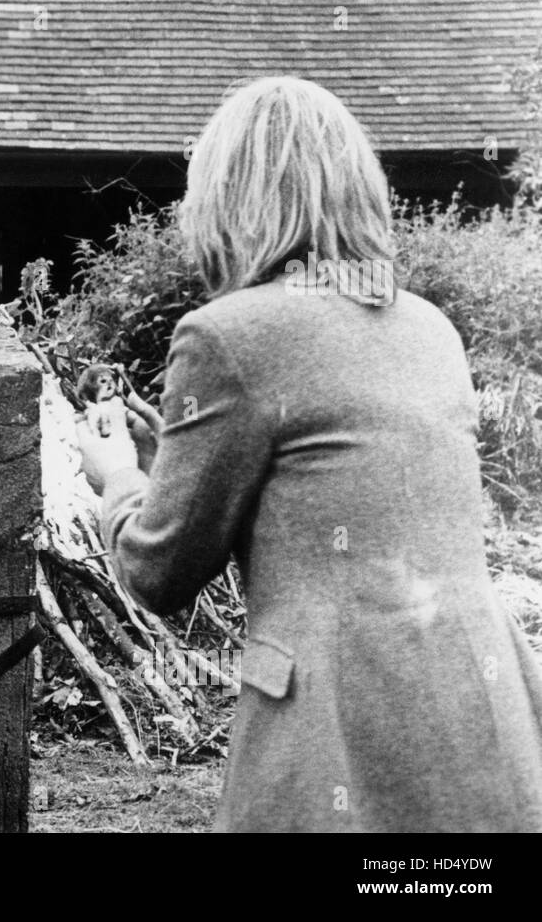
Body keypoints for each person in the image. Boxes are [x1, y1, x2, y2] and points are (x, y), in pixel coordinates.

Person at [76, 76, 542, 831]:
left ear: (230, 196)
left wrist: (122, 477)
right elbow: (336, 488)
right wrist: (176, 462)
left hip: (337, 736)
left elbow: (159, 570)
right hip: (481, 728)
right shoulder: (431, 331)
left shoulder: (228, 335)